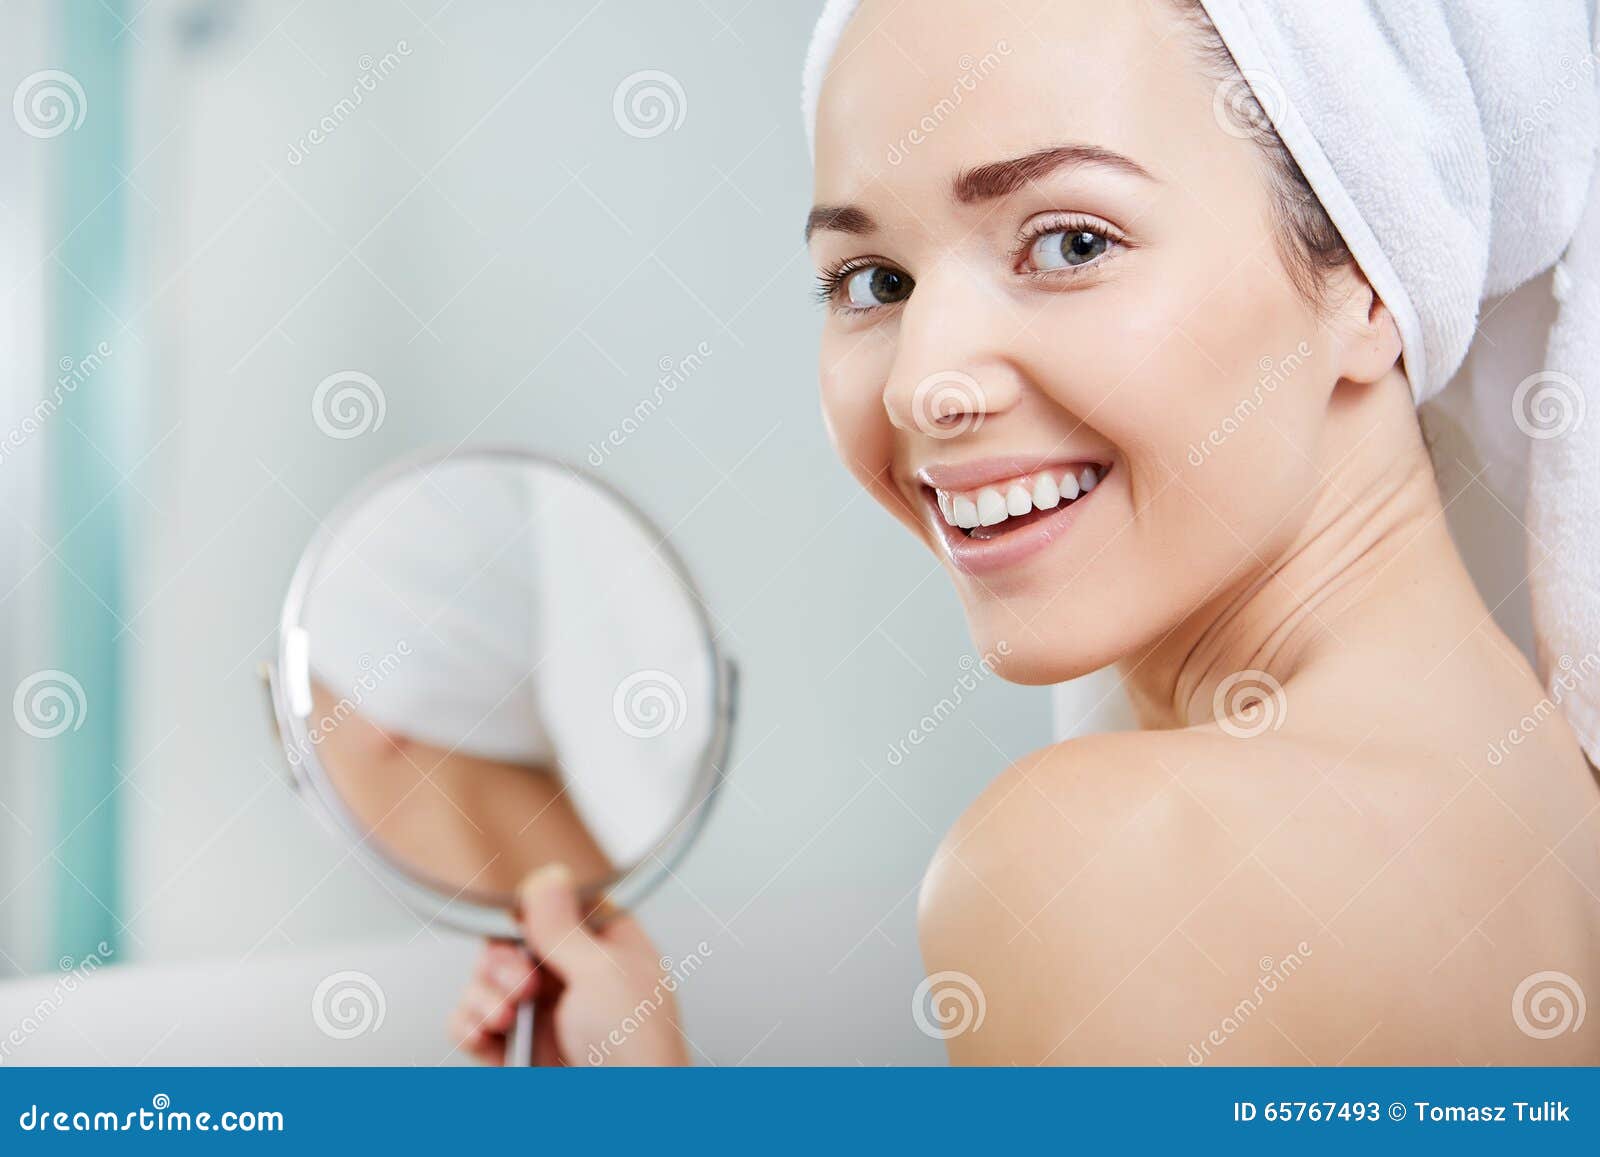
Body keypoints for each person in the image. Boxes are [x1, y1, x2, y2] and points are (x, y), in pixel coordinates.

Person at [450, 0, 1600, 1065]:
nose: (924, 384)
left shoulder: (1117, 859)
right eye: (873, 280)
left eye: (1070, 244)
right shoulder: (1551, 808)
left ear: (1367, 276)